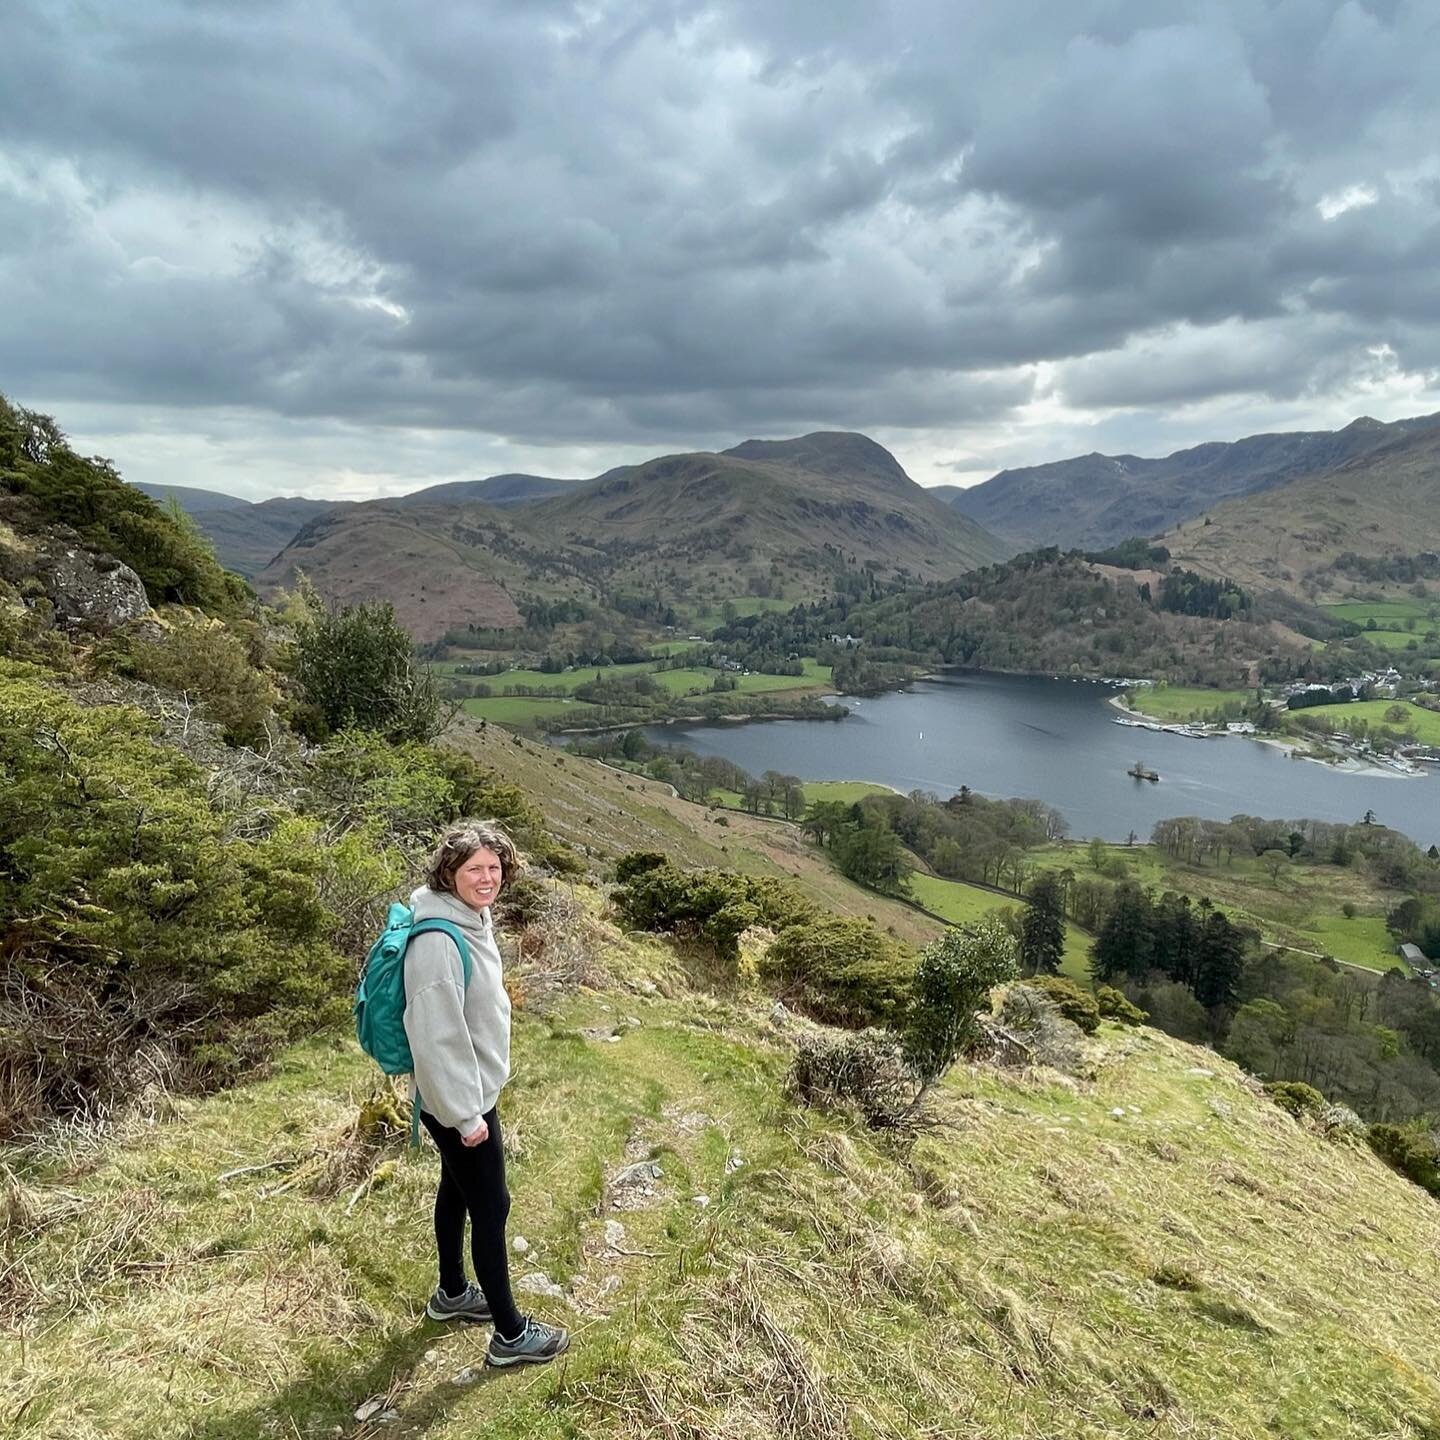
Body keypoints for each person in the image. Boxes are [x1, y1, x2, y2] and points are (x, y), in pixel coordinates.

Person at [403, 820, 569, 1367]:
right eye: (474, 868)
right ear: (448, 872)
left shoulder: (470, 917)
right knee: (492, 1208)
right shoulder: (436, 942)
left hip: (469, 1091)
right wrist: (464, 1114)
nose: (487, 877)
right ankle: (510, 1334)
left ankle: (452, 1293)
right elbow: (436, 1036)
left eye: (494, 867)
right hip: (458, 1101)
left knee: (456, 1190)